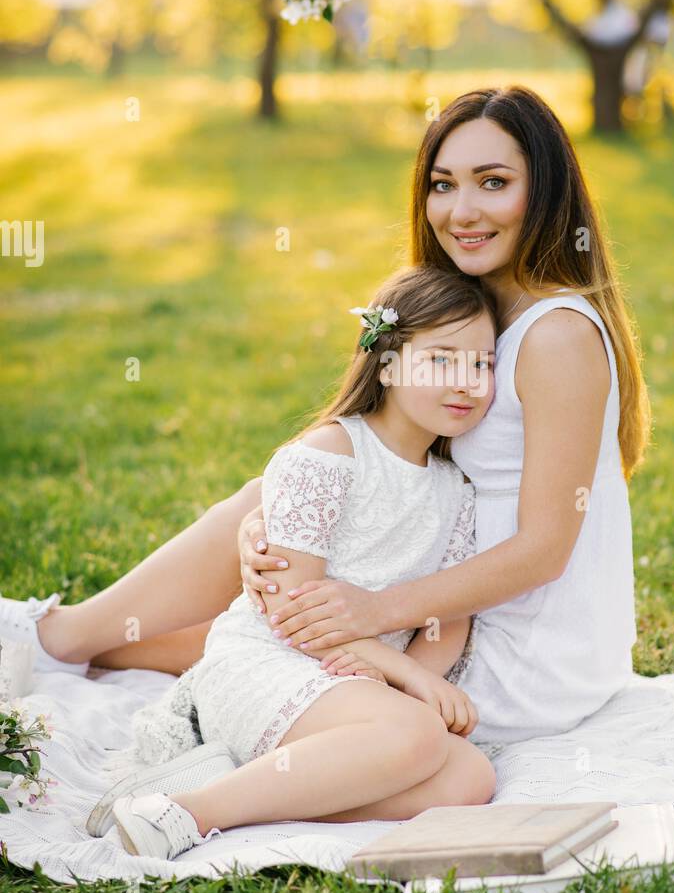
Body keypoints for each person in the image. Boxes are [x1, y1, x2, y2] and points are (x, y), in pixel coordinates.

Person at [0, 85, 650, 767]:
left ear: (544, 193)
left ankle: (56, 638)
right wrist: (275, 530)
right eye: (441, 184)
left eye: (493, 183)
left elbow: (545, 549)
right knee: (272, 554)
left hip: (510, 646)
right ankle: (68, 645)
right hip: (441, 586)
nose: (461, 211)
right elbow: (379, 453)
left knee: (281, 632)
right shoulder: (478, 312)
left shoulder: (556, 336)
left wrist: (375, 609)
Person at [108, 265, 500, 859]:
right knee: (415, 736)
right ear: (388, 365)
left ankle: (236, 790)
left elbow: (448, 614)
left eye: (483, 364)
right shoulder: (328, 454)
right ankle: (186, 814)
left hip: (358, 689)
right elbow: (291, 611)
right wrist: (406, 679)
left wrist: (416, 679)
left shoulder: (455, 491)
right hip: (271, 664)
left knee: (470, 778)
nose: (468, 382)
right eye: (442, 360)